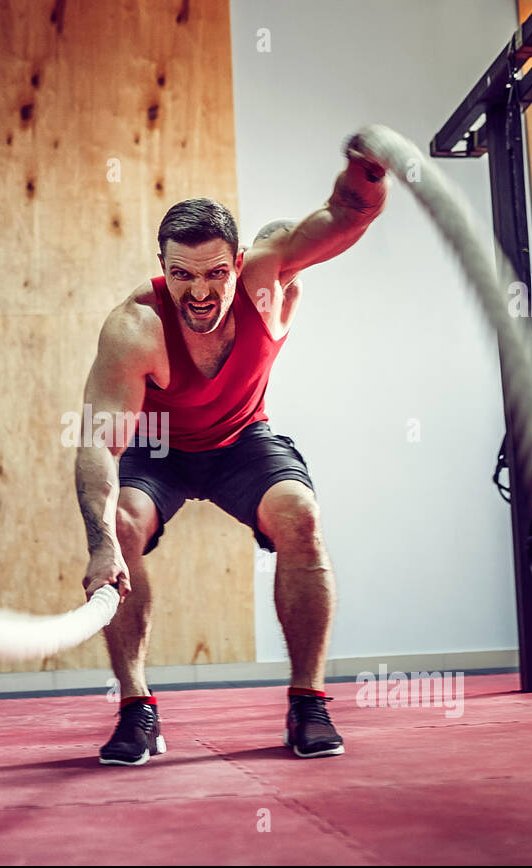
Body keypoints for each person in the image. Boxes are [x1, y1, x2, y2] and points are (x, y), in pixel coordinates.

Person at [73, 136, 388, 765]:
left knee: (301, 516)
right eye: (182, 275)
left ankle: (308, 703)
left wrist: (370, 171)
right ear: (162, 265)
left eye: (215, 274)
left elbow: (345, 216)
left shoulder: (268, 277)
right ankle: (137, 710)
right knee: (123, 524)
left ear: (238, 263)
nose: (199, 293)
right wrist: (100, 540)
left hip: (244, 437)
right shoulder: (134, 326)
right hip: (160, 449)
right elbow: (99, 444)